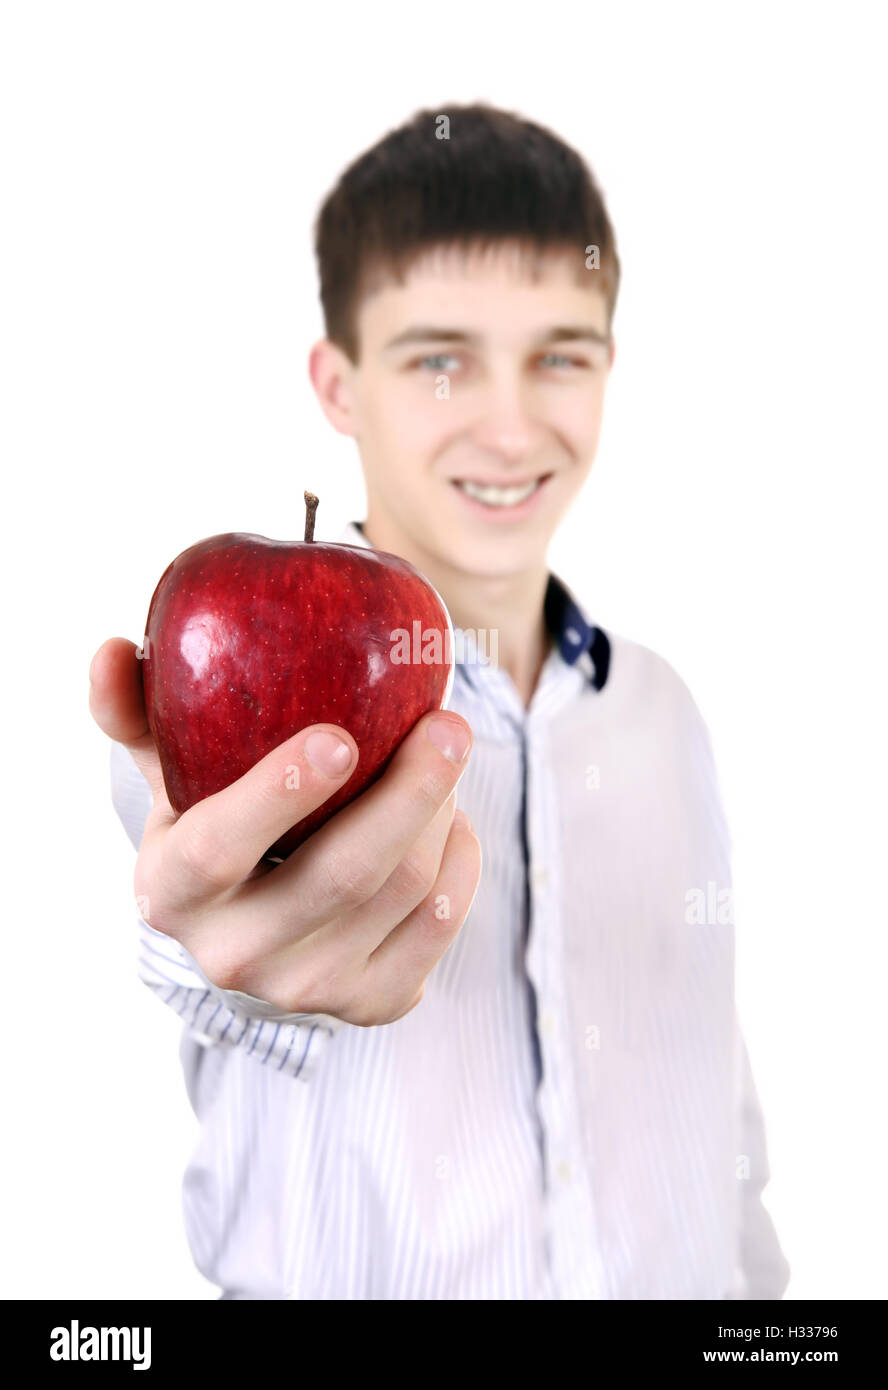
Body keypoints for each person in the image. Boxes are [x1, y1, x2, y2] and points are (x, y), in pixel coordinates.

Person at [89, 102, 790, 1300]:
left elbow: (714, 1098)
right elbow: (191, 920)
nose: (512, 426)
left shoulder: (664, 712)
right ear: (340, 385)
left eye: (560, 354)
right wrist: (220, 955)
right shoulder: (216, 709)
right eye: (440, 358)